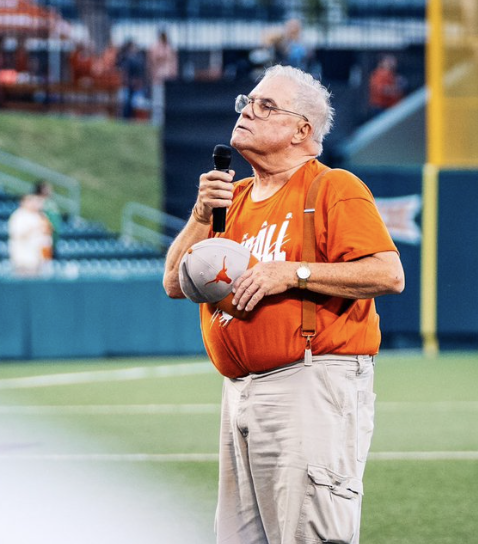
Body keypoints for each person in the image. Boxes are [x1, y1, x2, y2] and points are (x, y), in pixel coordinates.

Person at [162, 65, 405, 544]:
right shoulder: (233, 198)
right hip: (241, 391)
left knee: (309, 535)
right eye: (247, 102)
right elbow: (174, 281)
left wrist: (292, 272)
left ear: (303, 131)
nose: (248, 111)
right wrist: (199, 214)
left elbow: (388, 273)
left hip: (310, 381)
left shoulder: (334, 186)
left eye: (266, 105)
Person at [8, 194, 52, 277]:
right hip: (24, 258)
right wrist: (35, 228)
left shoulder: (39, 216)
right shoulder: (18, 216)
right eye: (30, 201)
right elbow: (19, 235)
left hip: (38, 257)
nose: (34, 204)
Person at [147, 29, 178, 126]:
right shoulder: (155, 47)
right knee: (157, 102)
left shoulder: (169, 48)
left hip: (168, 79)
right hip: (158, 79)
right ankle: (156, 122)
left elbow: (173, 64)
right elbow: (152, 62)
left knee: (167, 102)